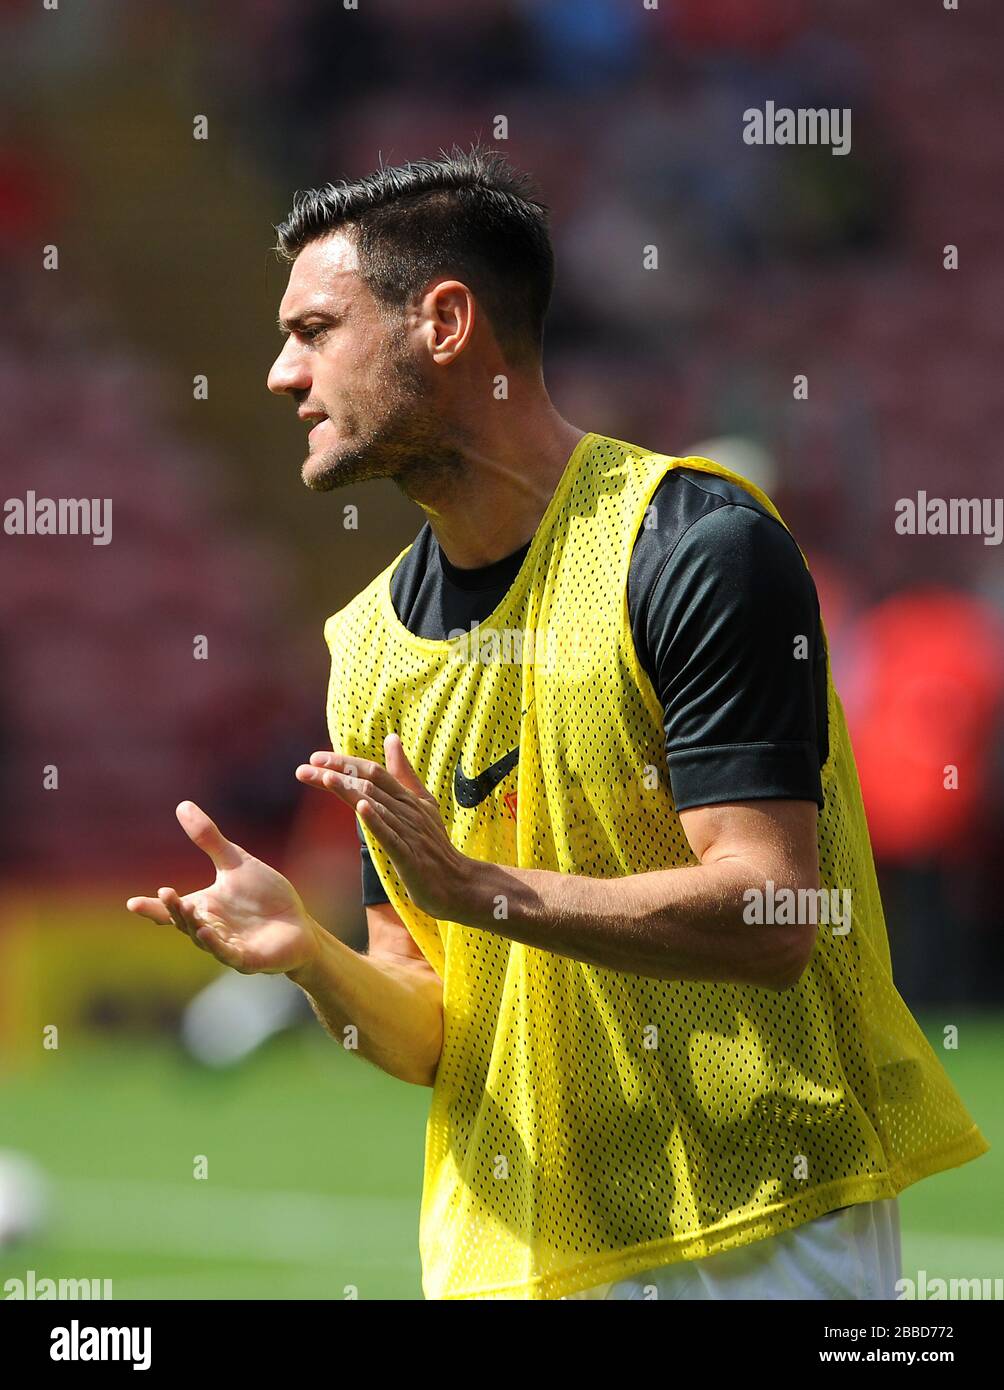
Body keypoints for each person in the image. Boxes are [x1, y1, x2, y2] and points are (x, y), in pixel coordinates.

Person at [127, 147, 988, 1301]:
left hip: (755, 1235)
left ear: (443, 321)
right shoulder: (366, 647)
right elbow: (432, 1026)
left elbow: (768, 909)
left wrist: (475, 888)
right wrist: (313, 961)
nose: (282, 373)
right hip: (504, 1258)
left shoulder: (695, 546)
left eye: (315, 329)